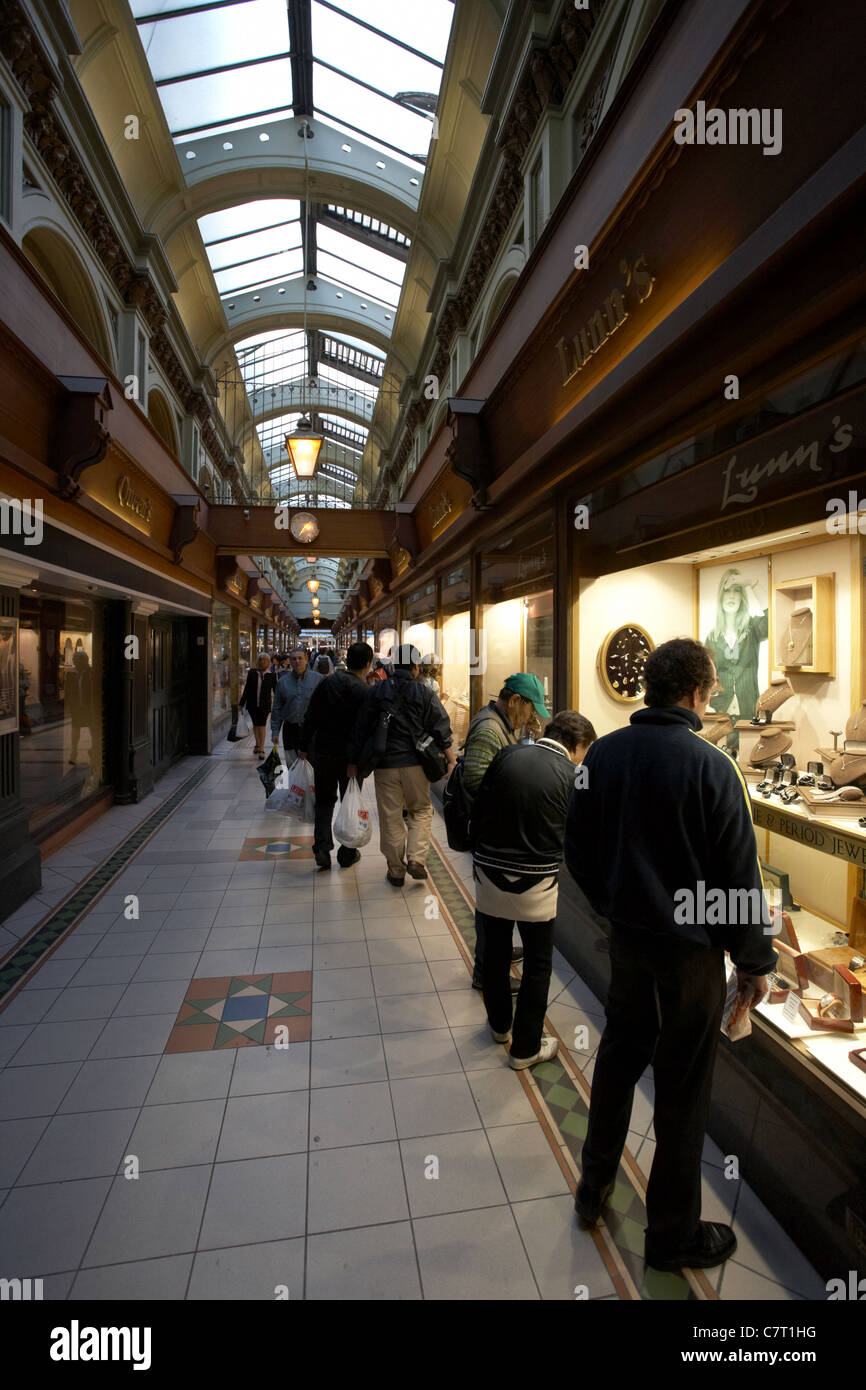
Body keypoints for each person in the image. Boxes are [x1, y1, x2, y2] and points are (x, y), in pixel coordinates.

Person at [564, 637, 776, 1272]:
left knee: (620, 1055)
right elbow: (741, 876)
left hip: (627, 940)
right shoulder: (714, 767)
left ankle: (593, 1185)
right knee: (682, 1087)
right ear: (698, 693)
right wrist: (756, 961)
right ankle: (671, 1233)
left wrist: (612, 900)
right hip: (691, 955)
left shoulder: (600, 754)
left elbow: (575, 842)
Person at [472, 711, 596, 1069]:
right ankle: (526, 1047)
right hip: (537, 882)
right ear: (577, 746)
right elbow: (579, 833)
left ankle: (499, 1026)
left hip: (489, 874)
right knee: (538, 963)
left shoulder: (508, 754)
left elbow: (480, 804)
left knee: (494, 953)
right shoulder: (573, 775)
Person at [463, 674, 551, 991]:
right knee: (490, 905)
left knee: (493, 904)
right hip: (491, 832)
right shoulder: (489, 730)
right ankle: (484, 972)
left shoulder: (502, 725)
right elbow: (475, 780)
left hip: (494, 830)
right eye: (530, 710)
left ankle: (490, 958)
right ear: (514, 701)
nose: (532, 716)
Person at [348, 643, 455, 886]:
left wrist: (354, 761)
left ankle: (396, 871)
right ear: (416, 667)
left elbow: (361, 727)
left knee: (390, 816)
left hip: (384, 764)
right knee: (421, 810)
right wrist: (451, 760)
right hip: (416, 764)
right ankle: (416, 858)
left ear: (394, 665)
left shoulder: (377, 690)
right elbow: (441, 728)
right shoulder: (425, 692)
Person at [302, 642, 374, 871]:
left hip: (323, 753)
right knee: (350, 801)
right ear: (367, 664)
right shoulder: (364, 692)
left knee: (324, 801)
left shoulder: (327, 683)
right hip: (349, 760)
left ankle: (322, 848)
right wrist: (356, 761)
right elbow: (363, 730)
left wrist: (303, 745)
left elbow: (310, 715)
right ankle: (347, 852)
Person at [704, 568, 768, 753]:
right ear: (720, 597)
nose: (731, 596)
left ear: (742, 597)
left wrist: (750, 583)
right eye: (727, 591)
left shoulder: (752, 629)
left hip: (748, 708)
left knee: (748, 757)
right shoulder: (713, 637)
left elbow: (773, 614)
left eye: (737, 591)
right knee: (721, 757)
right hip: (720, 711)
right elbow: (708, 675)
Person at [270, 647, 323, 759]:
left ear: (306, 659)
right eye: (294, 659)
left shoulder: (318, 679)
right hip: (290, 730)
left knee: (312, 768)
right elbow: (277, 708)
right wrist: (275, 731)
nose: (297, 661)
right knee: (292, 767)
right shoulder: (282, 682)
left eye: (300, 658)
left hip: (312, 731)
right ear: (290, 661)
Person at [239, 652, 277, 757]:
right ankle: (257, 743)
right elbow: (247, 689)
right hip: (252, 704)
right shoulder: (252, 673)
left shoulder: (272, 675)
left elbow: (276, 690)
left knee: (262, 725)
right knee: (255, 725)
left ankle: (261, 747)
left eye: (265, 660)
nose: (263, 662)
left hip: (265, 705)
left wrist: (278, 705)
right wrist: (241, 703)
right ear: (258, 661)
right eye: (261, 659)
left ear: (269, 662)